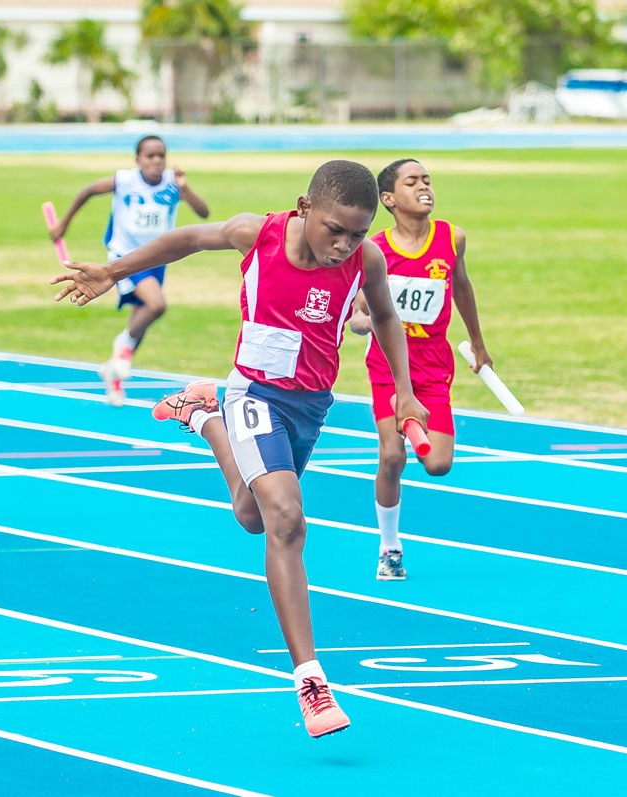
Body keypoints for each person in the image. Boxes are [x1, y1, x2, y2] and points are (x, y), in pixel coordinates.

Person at [51, 160, 427, 738]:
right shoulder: (261, 233)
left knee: (253, 517)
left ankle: (205, 418)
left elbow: (384, 316)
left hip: (310, 404)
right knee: (286, 519)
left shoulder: (365, 259)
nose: (343, 244)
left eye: (357, 232)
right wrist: (113, 270)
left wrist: (405, 393)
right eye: (335, 229)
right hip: (254, 392)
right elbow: (187, 238)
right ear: (305, 207)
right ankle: (310, 678)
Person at [347, 159, 493, 582]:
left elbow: (461, 287)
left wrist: (479, 343)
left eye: (427, 180)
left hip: (433, 365)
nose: (424, 187)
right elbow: (358, 310)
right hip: (390, 367)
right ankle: (389, 548)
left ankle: (416, 424)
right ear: (389, 199)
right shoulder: (374, 250)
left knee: (438, 465)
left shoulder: (452, 238)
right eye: (412, 182)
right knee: (392, 456)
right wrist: (363, 322)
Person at [47, 135, 209, 405]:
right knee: (156, 305)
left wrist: (185, 188)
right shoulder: (124, 180)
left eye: (161, 156)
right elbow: (86, 191)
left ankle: (114, 375)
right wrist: (64, 224)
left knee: (141, 319)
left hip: (156, 259)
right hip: (124, 256)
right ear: (138, 160)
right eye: (150, 156)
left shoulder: (173, 181)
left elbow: (203, 213)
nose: (156, 161)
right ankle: (121, 349)